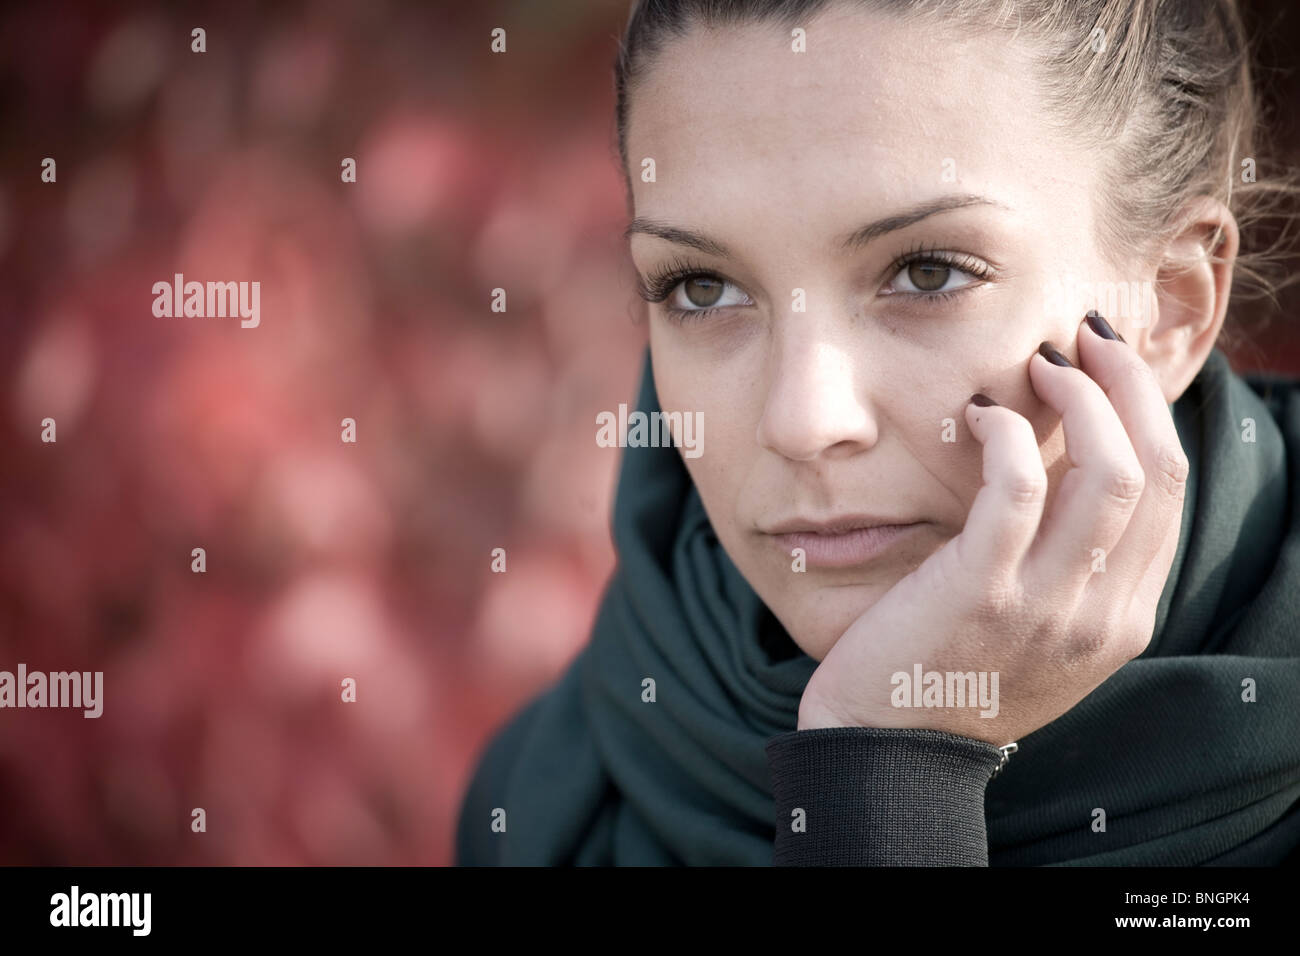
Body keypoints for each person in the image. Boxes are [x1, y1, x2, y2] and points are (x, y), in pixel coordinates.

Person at [456, 0, 1300, 865]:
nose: (803, 422)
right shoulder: (549, 797)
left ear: (1169, 305)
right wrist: (886, 764)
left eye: (926, 273)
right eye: (702, 288)